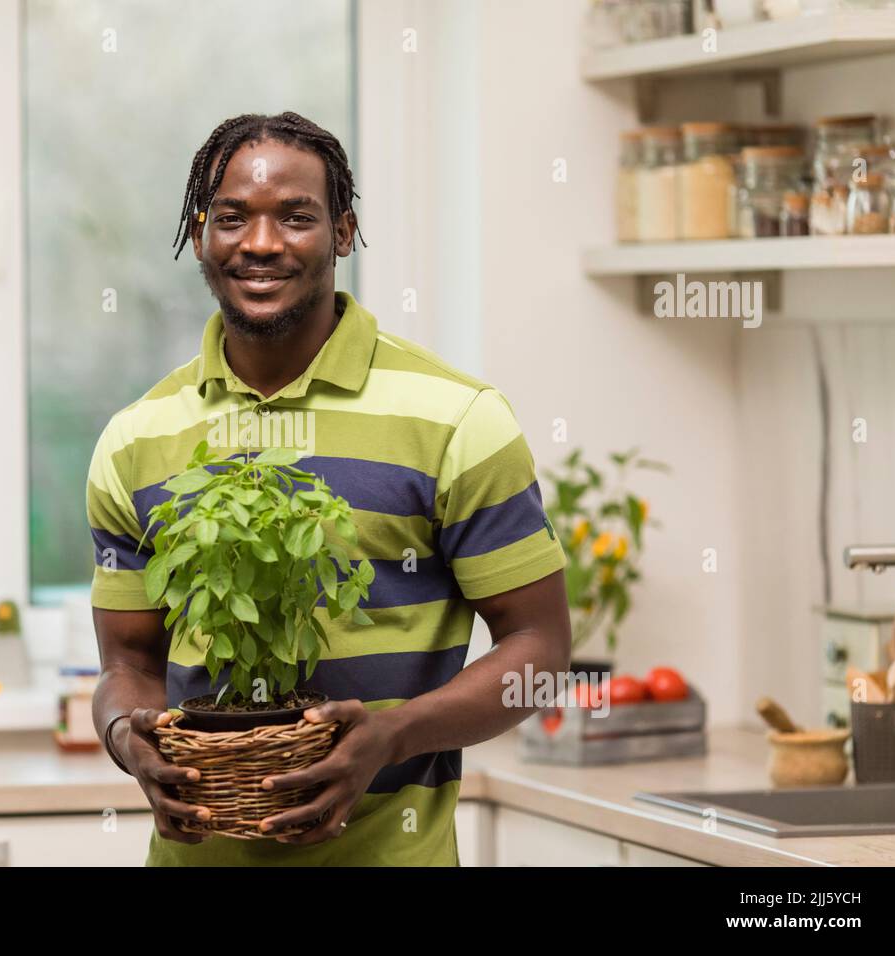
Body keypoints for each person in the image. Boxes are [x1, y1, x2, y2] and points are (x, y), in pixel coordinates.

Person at [88, 111, 570, 866]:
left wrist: (393, 735)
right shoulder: (137, 438)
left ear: (344, 233)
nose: (261, 242)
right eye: (232, 217)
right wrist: (128, 739)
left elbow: (539, 650)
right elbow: (128, 665)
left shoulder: (457, 419)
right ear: (201, 231)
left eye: (296, 217)